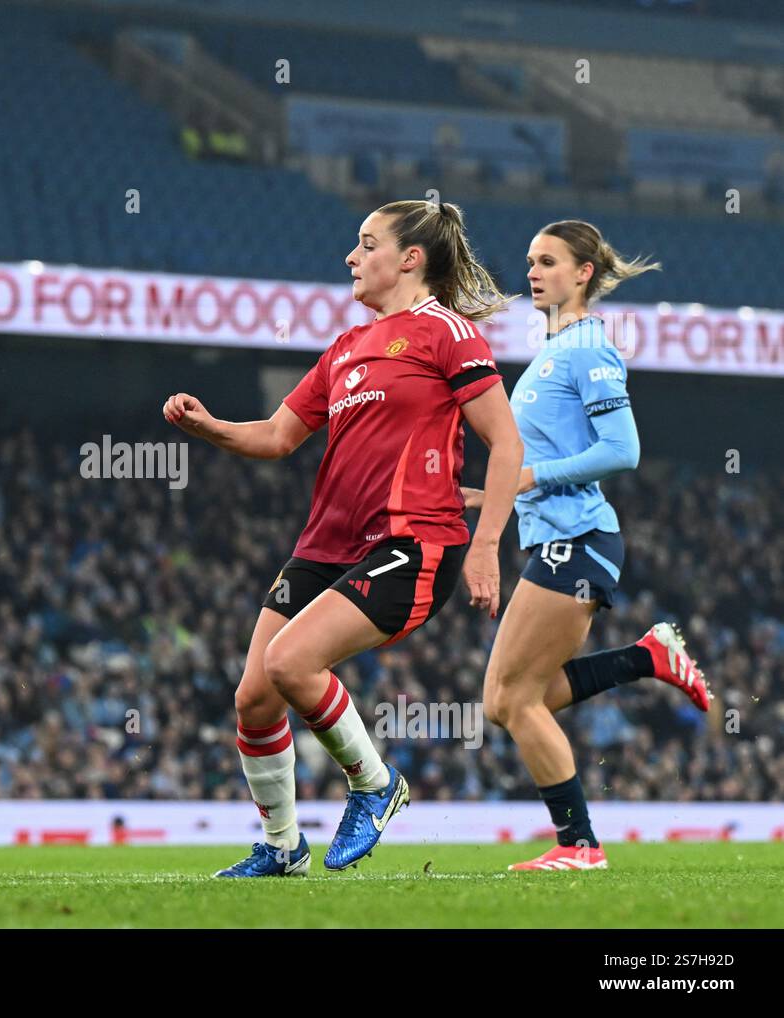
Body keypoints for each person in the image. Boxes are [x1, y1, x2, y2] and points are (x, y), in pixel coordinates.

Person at [165, 199, 523, 876]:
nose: (350, 258)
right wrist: (209, 426)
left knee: (291, 663)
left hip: (415, 542)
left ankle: (377, 784)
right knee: (254, 696)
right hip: (326, 544)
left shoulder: (447, 333)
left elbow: (505, 442)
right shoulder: (345, 348)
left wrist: (486, 545)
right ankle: (283, 848)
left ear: (410, 259)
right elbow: (277, 436)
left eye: (366, 245)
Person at [464, 220, 709, 872]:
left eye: (548, 261)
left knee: (513, 700)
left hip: (578, 543)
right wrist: (491, 494)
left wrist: (530, 477)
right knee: (507, 701)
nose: (533, 271)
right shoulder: (553, 346)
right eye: (530, 261)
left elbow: (622, 450)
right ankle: (646, 657)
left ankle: (579, 846)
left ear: (584, 274)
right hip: (560, 540)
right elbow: (536, 455)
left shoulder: (588, 349)